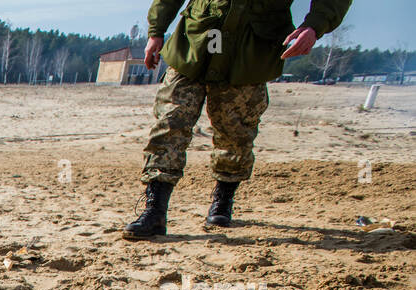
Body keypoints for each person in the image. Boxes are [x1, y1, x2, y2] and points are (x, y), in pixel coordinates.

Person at [123, 0, 352, 240]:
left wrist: (314, 26)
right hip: (197, 40)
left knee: (236, 132)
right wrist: (156, 31)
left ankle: (223, 199)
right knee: (169, 124)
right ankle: (155, 210)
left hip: (251, 49)